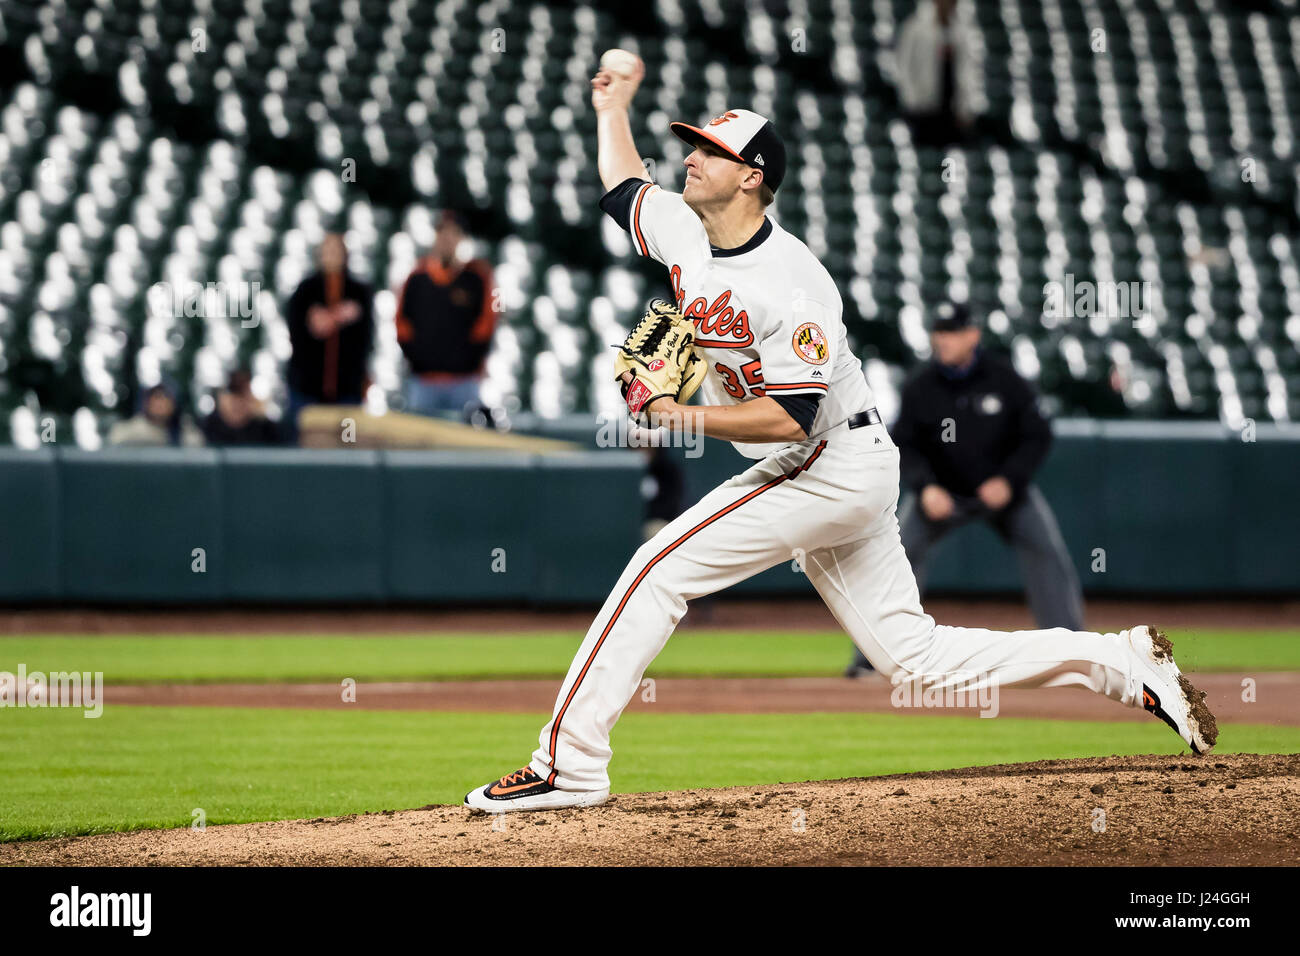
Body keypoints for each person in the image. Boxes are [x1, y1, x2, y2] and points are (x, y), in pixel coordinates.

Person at [463, 57, 1217, 813]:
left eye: (708, 151)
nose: (688, 158)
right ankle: (1116, 661)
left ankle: (570, 764)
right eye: (690, 146)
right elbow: (623, 186)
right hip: (821, 466)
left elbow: (788, 417)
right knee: (916, 662)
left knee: (658, 567)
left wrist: (677, 415)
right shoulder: (686, 232)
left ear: (752, 176)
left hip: (825, 458)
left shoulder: (795, 282)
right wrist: (613, 106)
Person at [845, 303, 1085, 676]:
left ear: (972, 335)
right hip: (941, 493)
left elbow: (1037, 435)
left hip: (1003, 493)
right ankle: (871, 661)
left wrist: (1010, 479)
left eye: (952, 332)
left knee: (1047, 553)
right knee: (897, 557)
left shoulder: (1004, 379)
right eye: (939, 331)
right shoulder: (921, 385)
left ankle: (1072, 653)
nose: (943, 339)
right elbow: (903, 445)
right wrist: (925, 488)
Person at [395, 210, 499, 420]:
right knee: (421, 444)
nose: (447, 238)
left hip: (464, 382)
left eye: (454, 233)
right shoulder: (416, 278)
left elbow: (488, 322)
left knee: (463, 447)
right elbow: (401, 323)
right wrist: (417, 357)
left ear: (462, 238)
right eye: (442, 232)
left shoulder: (478, 278)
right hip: (422, 382)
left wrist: (467, 359)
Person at [285, 234, 375, 437]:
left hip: (348, 390)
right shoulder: (304, 291)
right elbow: (298, 334)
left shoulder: (359, 292)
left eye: (336, 251)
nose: (332, 256)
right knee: (307, 442)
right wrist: (336, 317)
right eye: (327, 250)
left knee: (347, 442)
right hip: (307, 389)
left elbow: (367, 339)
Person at [895, 0, 973, 147]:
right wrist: (911, 100)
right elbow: (904, 66)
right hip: (922, 107)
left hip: (950, 107)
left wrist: (964, 105)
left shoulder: (959, 30)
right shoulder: (916, 27)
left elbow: (965, 70)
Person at [108, 381, 203, 447]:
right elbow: (115, 439)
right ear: (147, 403)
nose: (160, 403)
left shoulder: (184, 428)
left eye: (166, 397)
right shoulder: (134, 428)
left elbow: (197, 442)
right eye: (156, 397)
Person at [199, 369, 282, 446]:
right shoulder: (207, 427)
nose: (238, 402)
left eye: (244, 393)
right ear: (220, 398)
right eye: (233, 392)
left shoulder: (267, 429)